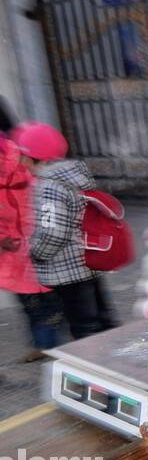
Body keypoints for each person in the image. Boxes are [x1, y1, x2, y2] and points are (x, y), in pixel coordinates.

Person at [11, 122, 116, 339]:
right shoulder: (74, 175)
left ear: (33, 157)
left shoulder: (49, 185)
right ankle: (117, 363)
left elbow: (53, 232)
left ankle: (95, 368)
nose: (21, 161)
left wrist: (35, 252)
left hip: (67, 272)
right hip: (88, 262)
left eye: (22, 156)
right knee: (103, 320)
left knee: (84, 328)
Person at [1, 129, 59, 359]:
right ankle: (44, 344)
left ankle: (61, 344)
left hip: (38, 245)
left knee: (53, 299)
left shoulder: (26, 165)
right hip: (12, 253)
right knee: (30, 303)